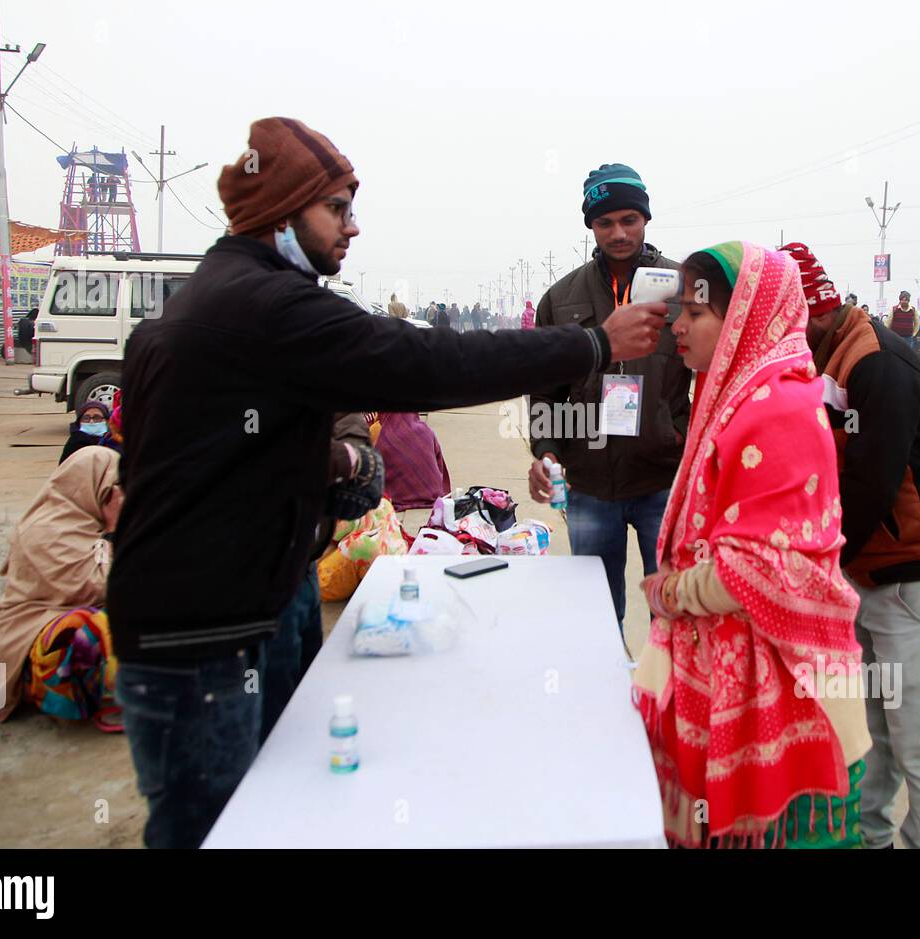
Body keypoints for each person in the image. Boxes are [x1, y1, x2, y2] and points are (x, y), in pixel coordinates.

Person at [109, 118, 669, 849]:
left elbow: (219, 454)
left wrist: (336, 469)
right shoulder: (265, 306)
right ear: (282, 212)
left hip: (265, 596)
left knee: (280, 804)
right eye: (336, 209)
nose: (353, 226)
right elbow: (429, 362)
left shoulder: (226, 301)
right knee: (215, 825)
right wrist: (593, 342)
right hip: (202, 634)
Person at [633, 241, 871, 849]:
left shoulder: (778, 408)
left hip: (791, 691)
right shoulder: (733, 395)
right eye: (680, 310)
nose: (678, 325)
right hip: (732, 673)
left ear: (745, 317)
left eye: (696, 312)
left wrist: (669, 593)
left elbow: (758, 569)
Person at [787, 242, 920, 849]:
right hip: (867, 569)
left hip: (913, 577)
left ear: (814, 310)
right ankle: (871, 836)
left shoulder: (879, 365)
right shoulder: (828, 356)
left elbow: (871, 485)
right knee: (872, 725)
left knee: (917, 735)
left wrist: (823, 568)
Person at [527, 163, 691, 633]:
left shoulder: (684, 288)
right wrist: (546, 452)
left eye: (629, 220)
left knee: (676, 617)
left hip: (666, 481)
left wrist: (687, 441)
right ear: (591, 226)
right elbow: (545, 390)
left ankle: (668, 684)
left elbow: (713, 376)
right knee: (596, 618)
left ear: (645, 219)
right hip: (589, 485)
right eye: (605, 222)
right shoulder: (560, 299)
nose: (618, 233)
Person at [0, 448, 125, 731]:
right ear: (93, 486)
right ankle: (104, 704)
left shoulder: (89, 526)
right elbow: (100, 589)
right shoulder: (46, 530)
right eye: (117, 487)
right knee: (94, 627)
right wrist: (114, 532)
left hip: (69, 622)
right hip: (33, 640)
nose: (123, 496)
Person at [262, 412, 379, 743]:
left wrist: (354, 458)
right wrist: (351, 461)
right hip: (255, 582)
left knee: (307, 705)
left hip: (301, 560)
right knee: (275, 729)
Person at [375, 410, 452, 512]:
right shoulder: (426, 431)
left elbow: (377, 475)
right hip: (432, 495)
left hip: (397, 498)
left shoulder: (384, 439)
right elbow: (439, 465)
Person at [59, 400, 120, 464]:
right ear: (79, 422)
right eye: (86, 418)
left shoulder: (113, 442)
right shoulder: (74, 442)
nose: (91, 421)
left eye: (97, 417)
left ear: (107, 421)